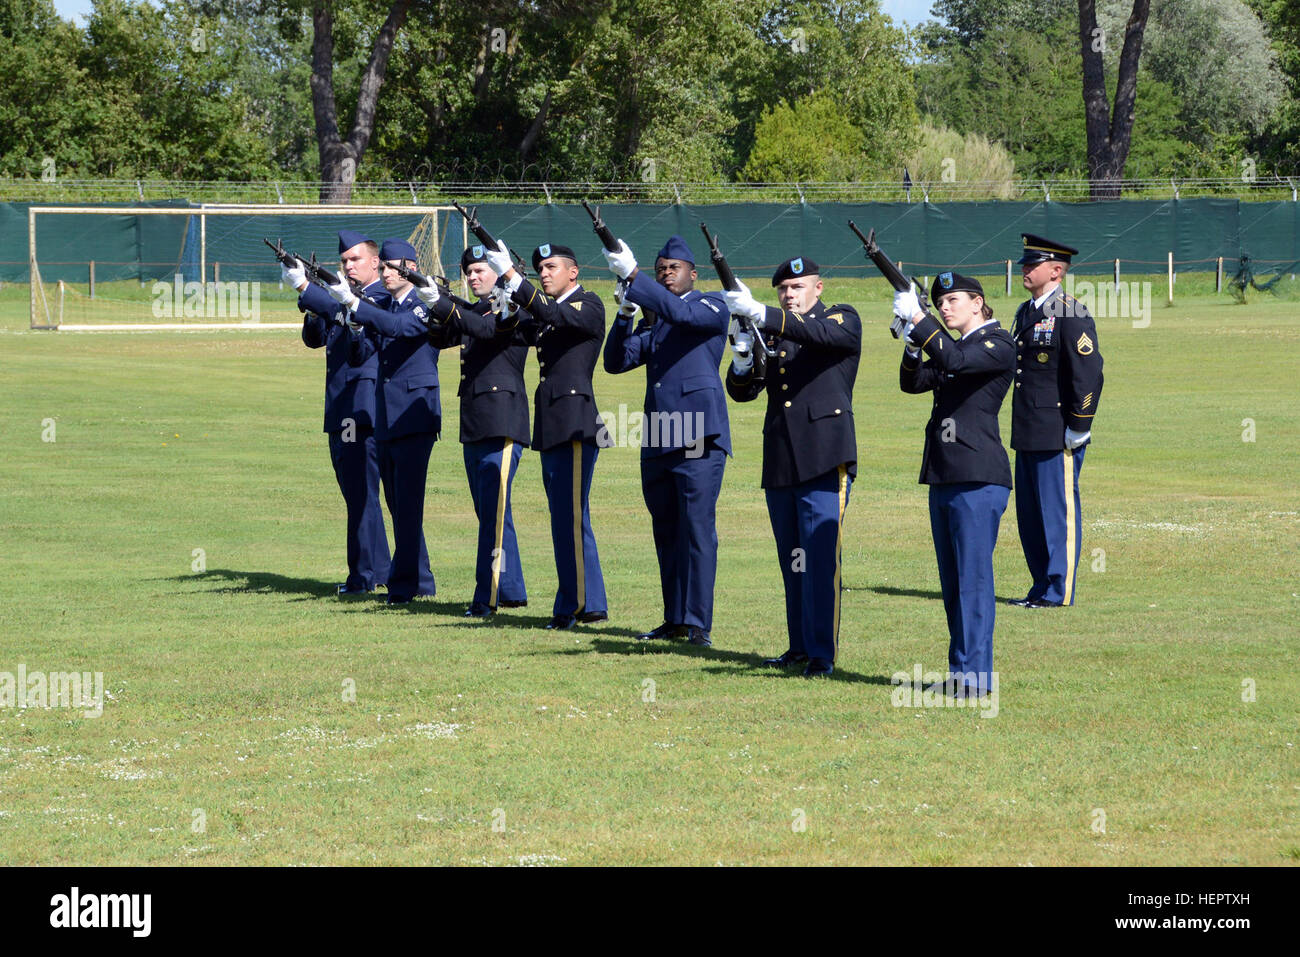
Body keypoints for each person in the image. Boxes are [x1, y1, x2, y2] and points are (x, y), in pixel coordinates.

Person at [723, 258, 860, 677]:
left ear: (818, 288)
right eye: (783, 289)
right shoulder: (776, 329)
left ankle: (822, 653)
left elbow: (816, 334)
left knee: (820, 558)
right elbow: (744, 392)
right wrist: (743, 359)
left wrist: (762, 315)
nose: (789, 295)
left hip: (823, 453)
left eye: (797, 287)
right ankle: (799, 645)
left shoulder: (840, 318)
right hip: (782, 457)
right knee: (794, 558)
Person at [601, 234, 730, 647]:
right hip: (659, 436)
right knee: (667, 529)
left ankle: (697, 623)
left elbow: (681, 314)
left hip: (696, 433)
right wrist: (625, 312)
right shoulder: (657, 318)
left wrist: (636, 276)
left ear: (694, 273)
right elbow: (616, 361)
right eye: (660, 270)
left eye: (673, 269)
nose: (666, 275)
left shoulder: (710, 304)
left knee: (695, 529)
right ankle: (674, 618)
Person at [895, 272, 1016, 698]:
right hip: (946, 473)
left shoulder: (998, 342)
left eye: (953, 300)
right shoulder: (953, 346)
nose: (945, 308)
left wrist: (920, 322)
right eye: (938, 302)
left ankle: (976, 677)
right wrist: (913, 342)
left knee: (973, 580)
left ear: (979, 303)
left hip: (978, 476)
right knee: (953, 582)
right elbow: (913, 382)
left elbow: (955, 363)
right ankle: (961, 670)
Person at [486, 241, 609, 631]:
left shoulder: (588, 304)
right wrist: (504, 299)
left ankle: (570, 606)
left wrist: (511, 276)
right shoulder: (548, 307)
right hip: (554, 423)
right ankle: (590, 603)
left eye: (552, 267)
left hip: (575, 423)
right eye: (540, 268)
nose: (545, 272)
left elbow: (552, 312)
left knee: (569, 520)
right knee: (570, 518)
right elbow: (517, 325)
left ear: (574, 271)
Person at [422, 245, 532, 618]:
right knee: (490, 511)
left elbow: (486, 329)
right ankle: (512, 590)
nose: (473, 276)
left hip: (501, 419)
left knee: (494, 514)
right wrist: (434, 305)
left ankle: (487, 596)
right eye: (468, 271)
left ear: (500, 271)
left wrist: (442, 304)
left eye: (481, 270)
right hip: (477, 421)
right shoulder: (476, 309)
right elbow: (441, 337)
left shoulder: (510, 306)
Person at [334, 238, 440, 605]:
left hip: (414, 413)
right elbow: (362, 351)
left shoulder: (423, 302)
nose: (388, 273)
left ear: (412, 267)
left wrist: (355, 305)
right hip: (387, 415)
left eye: (395, 267)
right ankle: (414, 580)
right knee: (397, 501)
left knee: (407, 504)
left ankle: (407, 584)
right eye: (385, 268)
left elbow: (399, 329)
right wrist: (355, 324)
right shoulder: (386, 305)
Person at [286, 229, 390, 596]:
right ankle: (379, 571)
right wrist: (313, 302)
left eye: (356, 259)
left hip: (358, 410)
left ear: (375, 262)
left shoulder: (379, 297)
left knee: (359, 492)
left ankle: (363, 576)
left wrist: (311, 292)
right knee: (357, 492)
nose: (349, 266)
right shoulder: (340, 298)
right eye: (344, 261)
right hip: (340, 406)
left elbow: (354, 317)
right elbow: (315, 339)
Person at [1008, 234, 1104, 608]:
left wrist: (1080, 424)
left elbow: (1089, 370)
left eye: (1033, 264)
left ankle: (1058, 590)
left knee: (1056, 515)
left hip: (1057, 432)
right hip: (1028, 428)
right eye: (1026, 263)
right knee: (1030, 517)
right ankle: (1039, 587)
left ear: (1056, 270)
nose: (1025, 269)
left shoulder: (1071, 312)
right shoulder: (1026, 311)